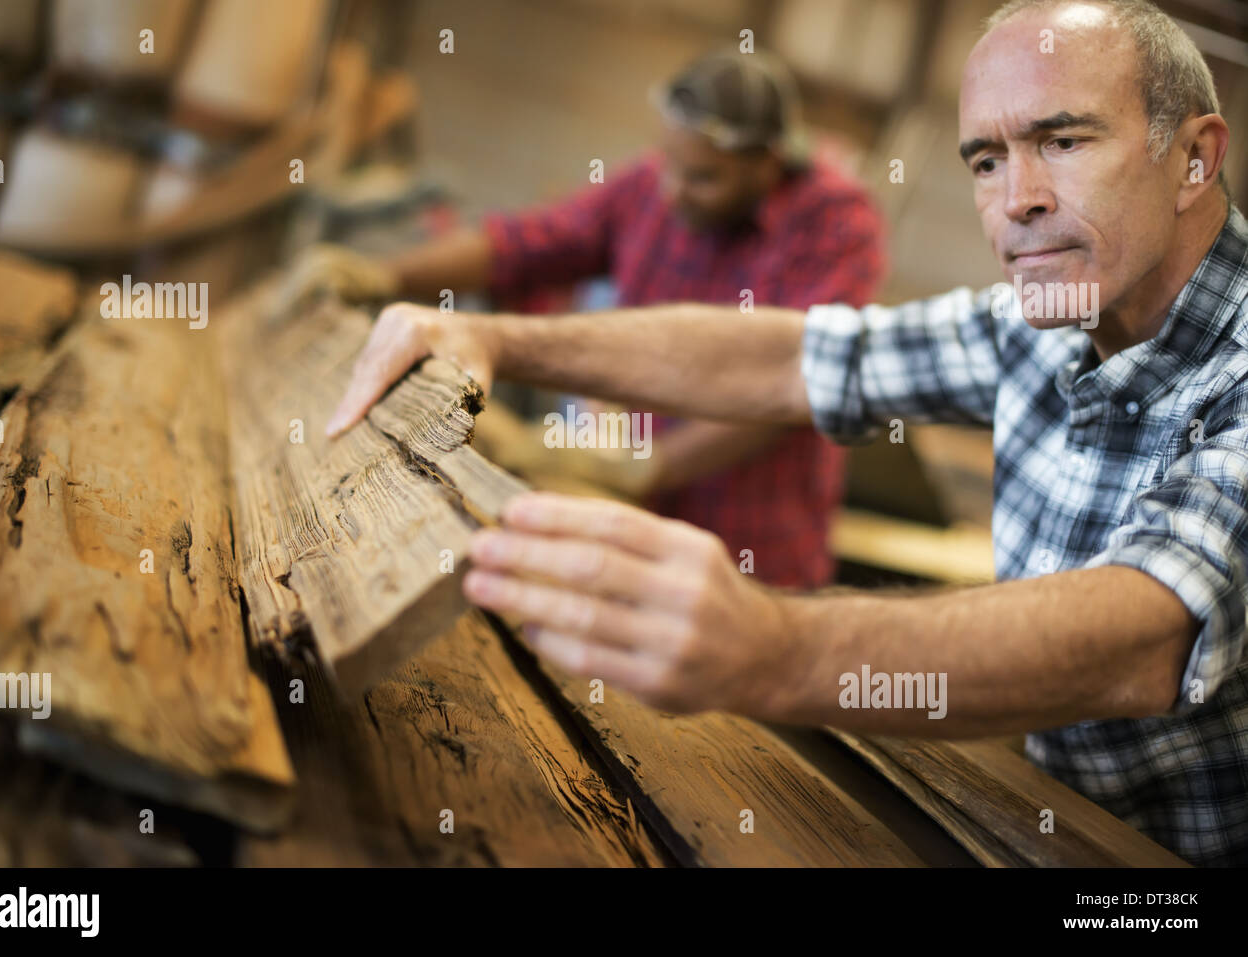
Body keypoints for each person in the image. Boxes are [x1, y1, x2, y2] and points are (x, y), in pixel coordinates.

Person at [326, 0, 1246, 865]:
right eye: (985, 161)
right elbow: (794, 357)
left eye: (1064, 139)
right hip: (1045, 824)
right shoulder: (1044, 322)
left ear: (1195, 158)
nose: (1017, 200)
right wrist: (488, 336)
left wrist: (773, 645)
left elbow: (1144, 638)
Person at [295, 50, 886, 589]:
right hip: (630, 528)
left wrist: (649, 466)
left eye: (704, 178)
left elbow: (803, 379)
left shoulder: (834, 222)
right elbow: (527, 243)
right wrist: (383, 277)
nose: (675, 192)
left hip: (750, 547)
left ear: (767, 162)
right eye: (669, 166)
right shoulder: (651, 188)